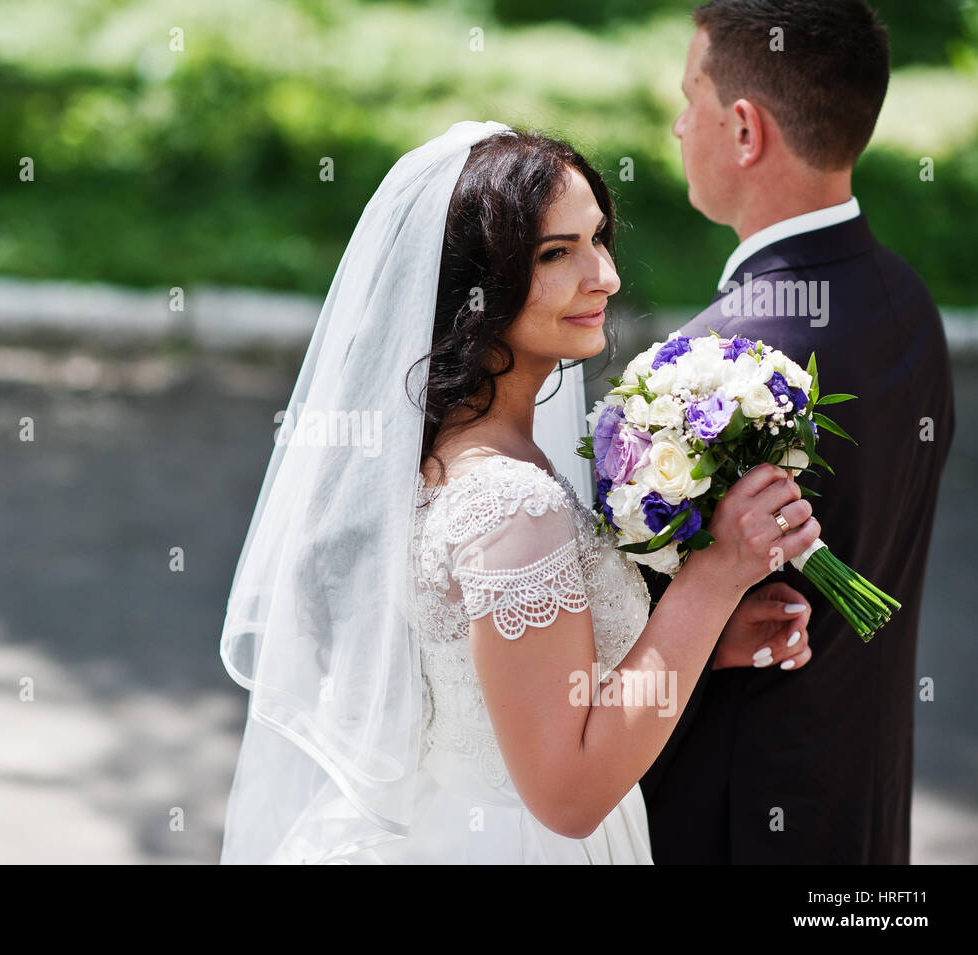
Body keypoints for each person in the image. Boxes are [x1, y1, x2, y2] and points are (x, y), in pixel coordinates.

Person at [218, 120, 819, 864]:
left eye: (597, 239)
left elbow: (498, 673)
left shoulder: (450, 450)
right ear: (475, 288)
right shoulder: (509, 503)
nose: (604, 276)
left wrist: (696, 639)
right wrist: (716, 572)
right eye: (557, 254)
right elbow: (566, 794)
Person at [639, 0, 957, 863]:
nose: (676, 124)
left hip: (730, 824)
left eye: (690, 95)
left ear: (744, 129)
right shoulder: (911, 307)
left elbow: (641, 648)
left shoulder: (712, 364)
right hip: (863, 821)